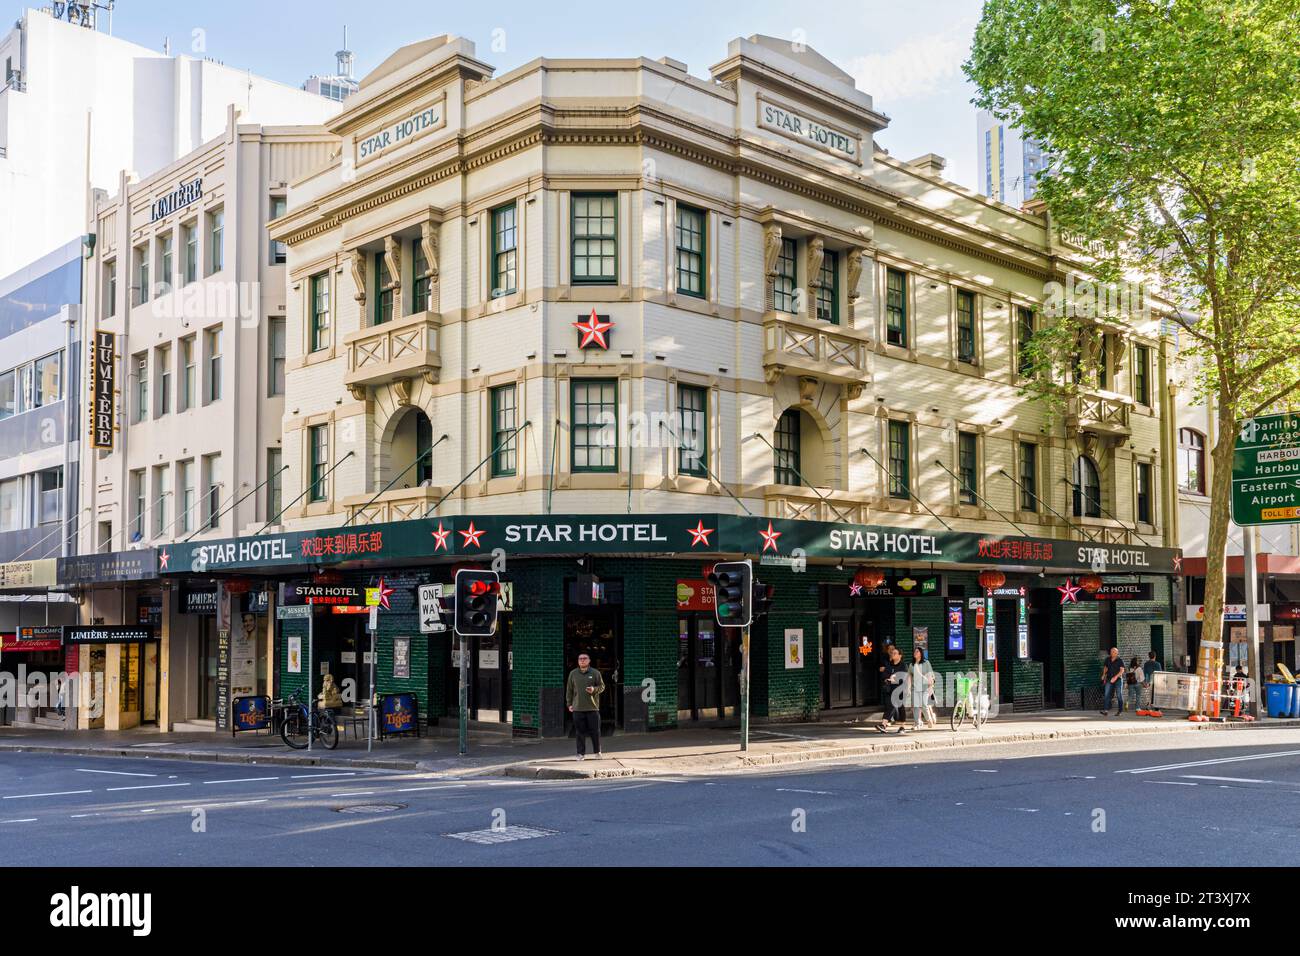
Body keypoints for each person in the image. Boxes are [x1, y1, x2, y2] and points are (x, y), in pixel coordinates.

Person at [566, 652, 605, 760]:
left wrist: (594, 689)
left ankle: (597, 752)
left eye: (584, 658)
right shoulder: (573, 673)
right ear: (578, 661)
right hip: (577, 708)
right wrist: (569, 704)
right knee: (579, 732)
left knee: (595, 731)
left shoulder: (595, 673)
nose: (582, 660)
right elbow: (569, 690)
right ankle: (580, 754)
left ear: (589, 660)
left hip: (592, 707)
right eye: (580, 659)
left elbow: (602, 686)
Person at [878, 644, 907, 732]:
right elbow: (884, 674)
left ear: (900, 655)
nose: (892, 654)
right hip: (889, 689)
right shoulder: (889, 665)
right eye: (892, 653)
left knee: (900, 707)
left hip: (900, 689)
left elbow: (902, 677)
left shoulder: (903, 665)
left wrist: (893, 678)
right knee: (889, 706)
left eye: (895, 653)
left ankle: (902, 727)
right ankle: (883, 725)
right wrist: (889, 678)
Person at [906, 646, 936, 730]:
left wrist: (931, 686)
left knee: (923, 705)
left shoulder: (926, 663)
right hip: (915, 688)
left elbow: (930, 674)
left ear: (921, 653)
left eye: (917, 651)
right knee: (915, 706)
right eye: (914, 652)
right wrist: (908, 688)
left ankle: (928, 719)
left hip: (925, 687)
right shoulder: (911, 665)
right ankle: (917, 723)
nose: (915, 653)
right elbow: (909, 677)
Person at [1100, 647, 1125, 715]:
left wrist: (1115, 677)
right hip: (1109, 679)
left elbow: (1122, 670)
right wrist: (1104, 674)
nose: (1112, 653)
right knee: (1106, 694)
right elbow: (1105, 667)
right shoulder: (1107, 659)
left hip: (1118, 679)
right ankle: (1105, 710)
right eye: (1111, 651)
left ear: (1117, 653)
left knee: (1119, 694)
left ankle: (1120, 711)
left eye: (1113, 652)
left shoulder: (1120, 660)